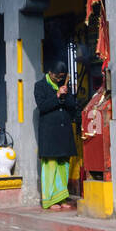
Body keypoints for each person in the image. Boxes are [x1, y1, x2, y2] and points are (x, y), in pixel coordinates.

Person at [34, 60, 80, 211]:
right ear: (50, 72)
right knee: (51, 165)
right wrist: (57, 95)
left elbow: (72, 106)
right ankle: (50, 199)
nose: (59, 79)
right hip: (49, 133)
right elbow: (43, 106)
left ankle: (61, 197)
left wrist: (65, 95)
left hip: (63, 132)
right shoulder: (40, 86)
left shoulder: (64, 86)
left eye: (62, 76)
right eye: (57, 76)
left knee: (63, 165)